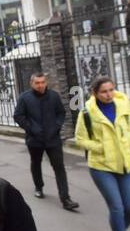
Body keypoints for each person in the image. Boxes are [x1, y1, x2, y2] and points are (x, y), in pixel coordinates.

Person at [74, 76, 130, 231]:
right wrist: (100, 146)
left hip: (124, 164)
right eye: (104, 91)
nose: (109, 94)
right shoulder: (87, 113)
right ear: (95, 93)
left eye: (111, 90)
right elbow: (80, 139)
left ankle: (118, 228)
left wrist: (126, 140)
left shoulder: (123, 104)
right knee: (117, 208)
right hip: (101, 166)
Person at [12, 72, 79, 211]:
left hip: (52, 139)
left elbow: (61, 113)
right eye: (37, 83)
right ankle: (38, 186)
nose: (40, 85)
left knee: (59, 167)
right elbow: (18, 116)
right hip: (34, 140)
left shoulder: (53, 96)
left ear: (46, 82)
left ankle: (65, 198)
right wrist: (31, 128)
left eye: (43, 82)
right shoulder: (25, 98)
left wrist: (56, 126)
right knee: (36, 163)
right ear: (32, 83)